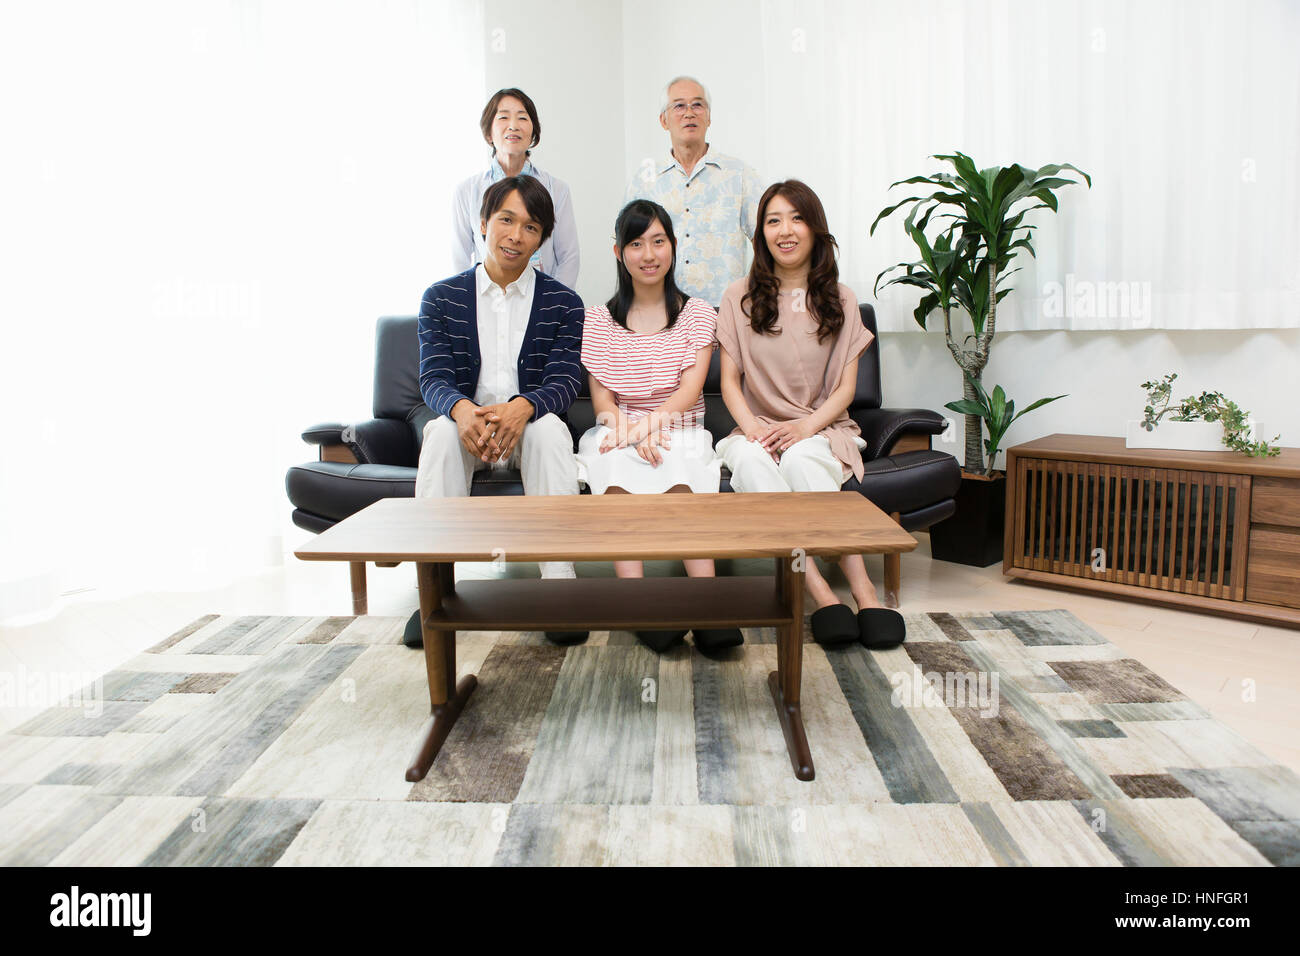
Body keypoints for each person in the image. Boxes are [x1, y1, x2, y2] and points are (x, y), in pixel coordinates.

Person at [715, 180, 906, 649]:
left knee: (802, 460)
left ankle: (864, 591)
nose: (785, 230)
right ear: (761, 234)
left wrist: (805, 426)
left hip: (821, 426)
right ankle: (822, 594)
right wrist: (758, 430)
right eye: (773, 220)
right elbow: (729, 384)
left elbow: (845, 390)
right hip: (756, 428)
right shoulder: (738, 296)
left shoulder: (840, 299)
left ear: (815, 229)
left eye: (796, 218)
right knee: (753, 463)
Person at [408, 174, 587, 648]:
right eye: (506, 220)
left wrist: (523, 407)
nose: (515, 235)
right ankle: (432, 590)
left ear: (542, 240)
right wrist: (463, 411)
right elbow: (434, 378)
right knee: (440, 435)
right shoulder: (440, 298)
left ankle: (560, 587)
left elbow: (567, 380)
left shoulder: (564, 303)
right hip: (469, 425)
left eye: (531, 227)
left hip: (527, 426)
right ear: (483, 222)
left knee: (551, 433)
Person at [577, 200, 742, 654]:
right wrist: (632, 432)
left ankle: (707, 605)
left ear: (672, 247)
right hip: (618, 427)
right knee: (611, 471)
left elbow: (690, 391)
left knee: (684, 471)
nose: (648, 254)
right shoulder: (597, 321)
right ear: (618, 252)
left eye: (658, 241)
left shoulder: (697, 315)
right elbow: (602, 403)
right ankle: (640, 605)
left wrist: (648, 428)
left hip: (681, 426)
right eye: (635, 243)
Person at [624, 76, 761, 307]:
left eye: (698, 105)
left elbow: (764, 240)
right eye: (678, 105)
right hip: (663, 311)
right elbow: (628, 245)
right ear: (663, 120)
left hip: (726, 311)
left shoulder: (739, 174)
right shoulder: (644, 179)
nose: (689, 113)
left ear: (709, 117)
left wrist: (754, 294)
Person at [452, 88, 580, 288]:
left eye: (522, 118)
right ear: (488, 133)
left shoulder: (556, 189)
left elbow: (568, 257)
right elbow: (459, 258)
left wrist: (554, 303)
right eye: (503, 117)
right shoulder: (467, 191)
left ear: (533, 133)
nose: (513, 126)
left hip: (542, 299)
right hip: (487, 298)